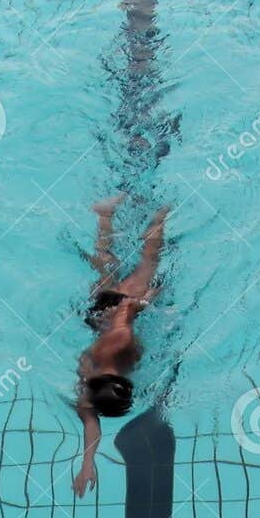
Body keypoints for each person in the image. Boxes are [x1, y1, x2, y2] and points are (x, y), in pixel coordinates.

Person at [75, 195, 168, 497]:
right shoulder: (88, 380)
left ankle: (159, 217)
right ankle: (104, 216)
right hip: (99, 318)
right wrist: (87, 463)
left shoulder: (121, 343)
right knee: (104, 269)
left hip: (116, 312)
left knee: (148, 263)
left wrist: (148, 297)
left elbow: (127, 308)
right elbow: (91, 423)